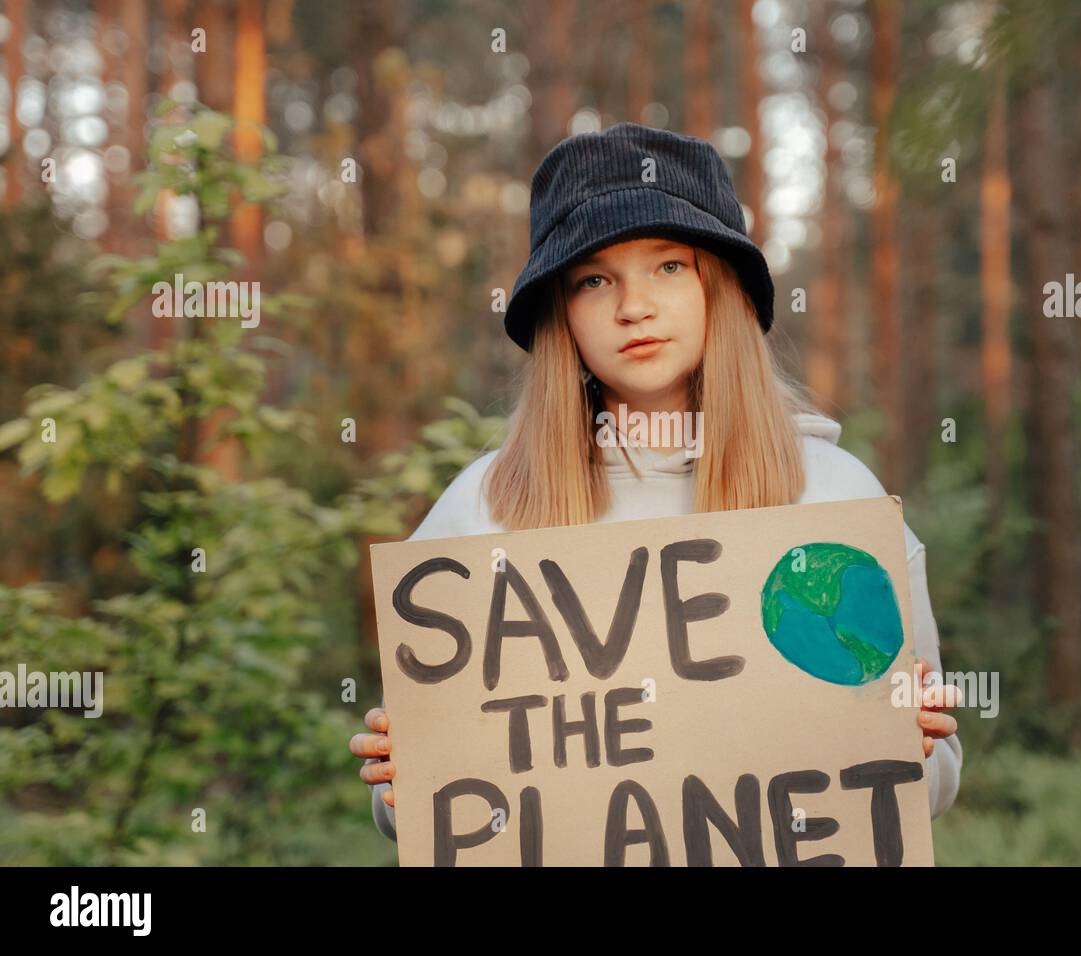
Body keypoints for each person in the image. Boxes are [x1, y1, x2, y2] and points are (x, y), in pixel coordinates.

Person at [350, 122, 963, 850]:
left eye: (669, 266)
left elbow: (928, 787)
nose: (633, 306)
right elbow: (429, 817)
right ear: (562, 313)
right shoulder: (479, 509)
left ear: (721, 287)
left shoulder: (836, 499)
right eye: (594, 278)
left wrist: (912, 742)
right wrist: (403, 775)